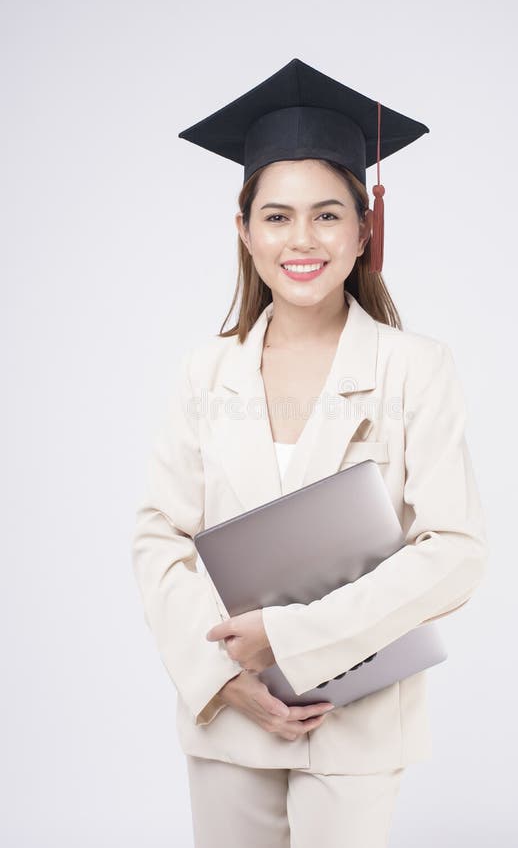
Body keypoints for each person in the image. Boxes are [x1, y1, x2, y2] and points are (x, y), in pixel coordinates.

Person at [131, 58, 489, 848]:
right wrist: (228, 678)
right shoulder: (205, 372)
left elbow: (454, 552)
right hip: (229, 720)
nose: (302, 240)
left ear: (364, 230)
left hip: (357, 718)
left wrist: (291, 639)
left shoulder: (413, 367)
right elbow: (162, 538)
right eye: (277, 216)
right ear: (244, 230)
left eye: (328, 216)